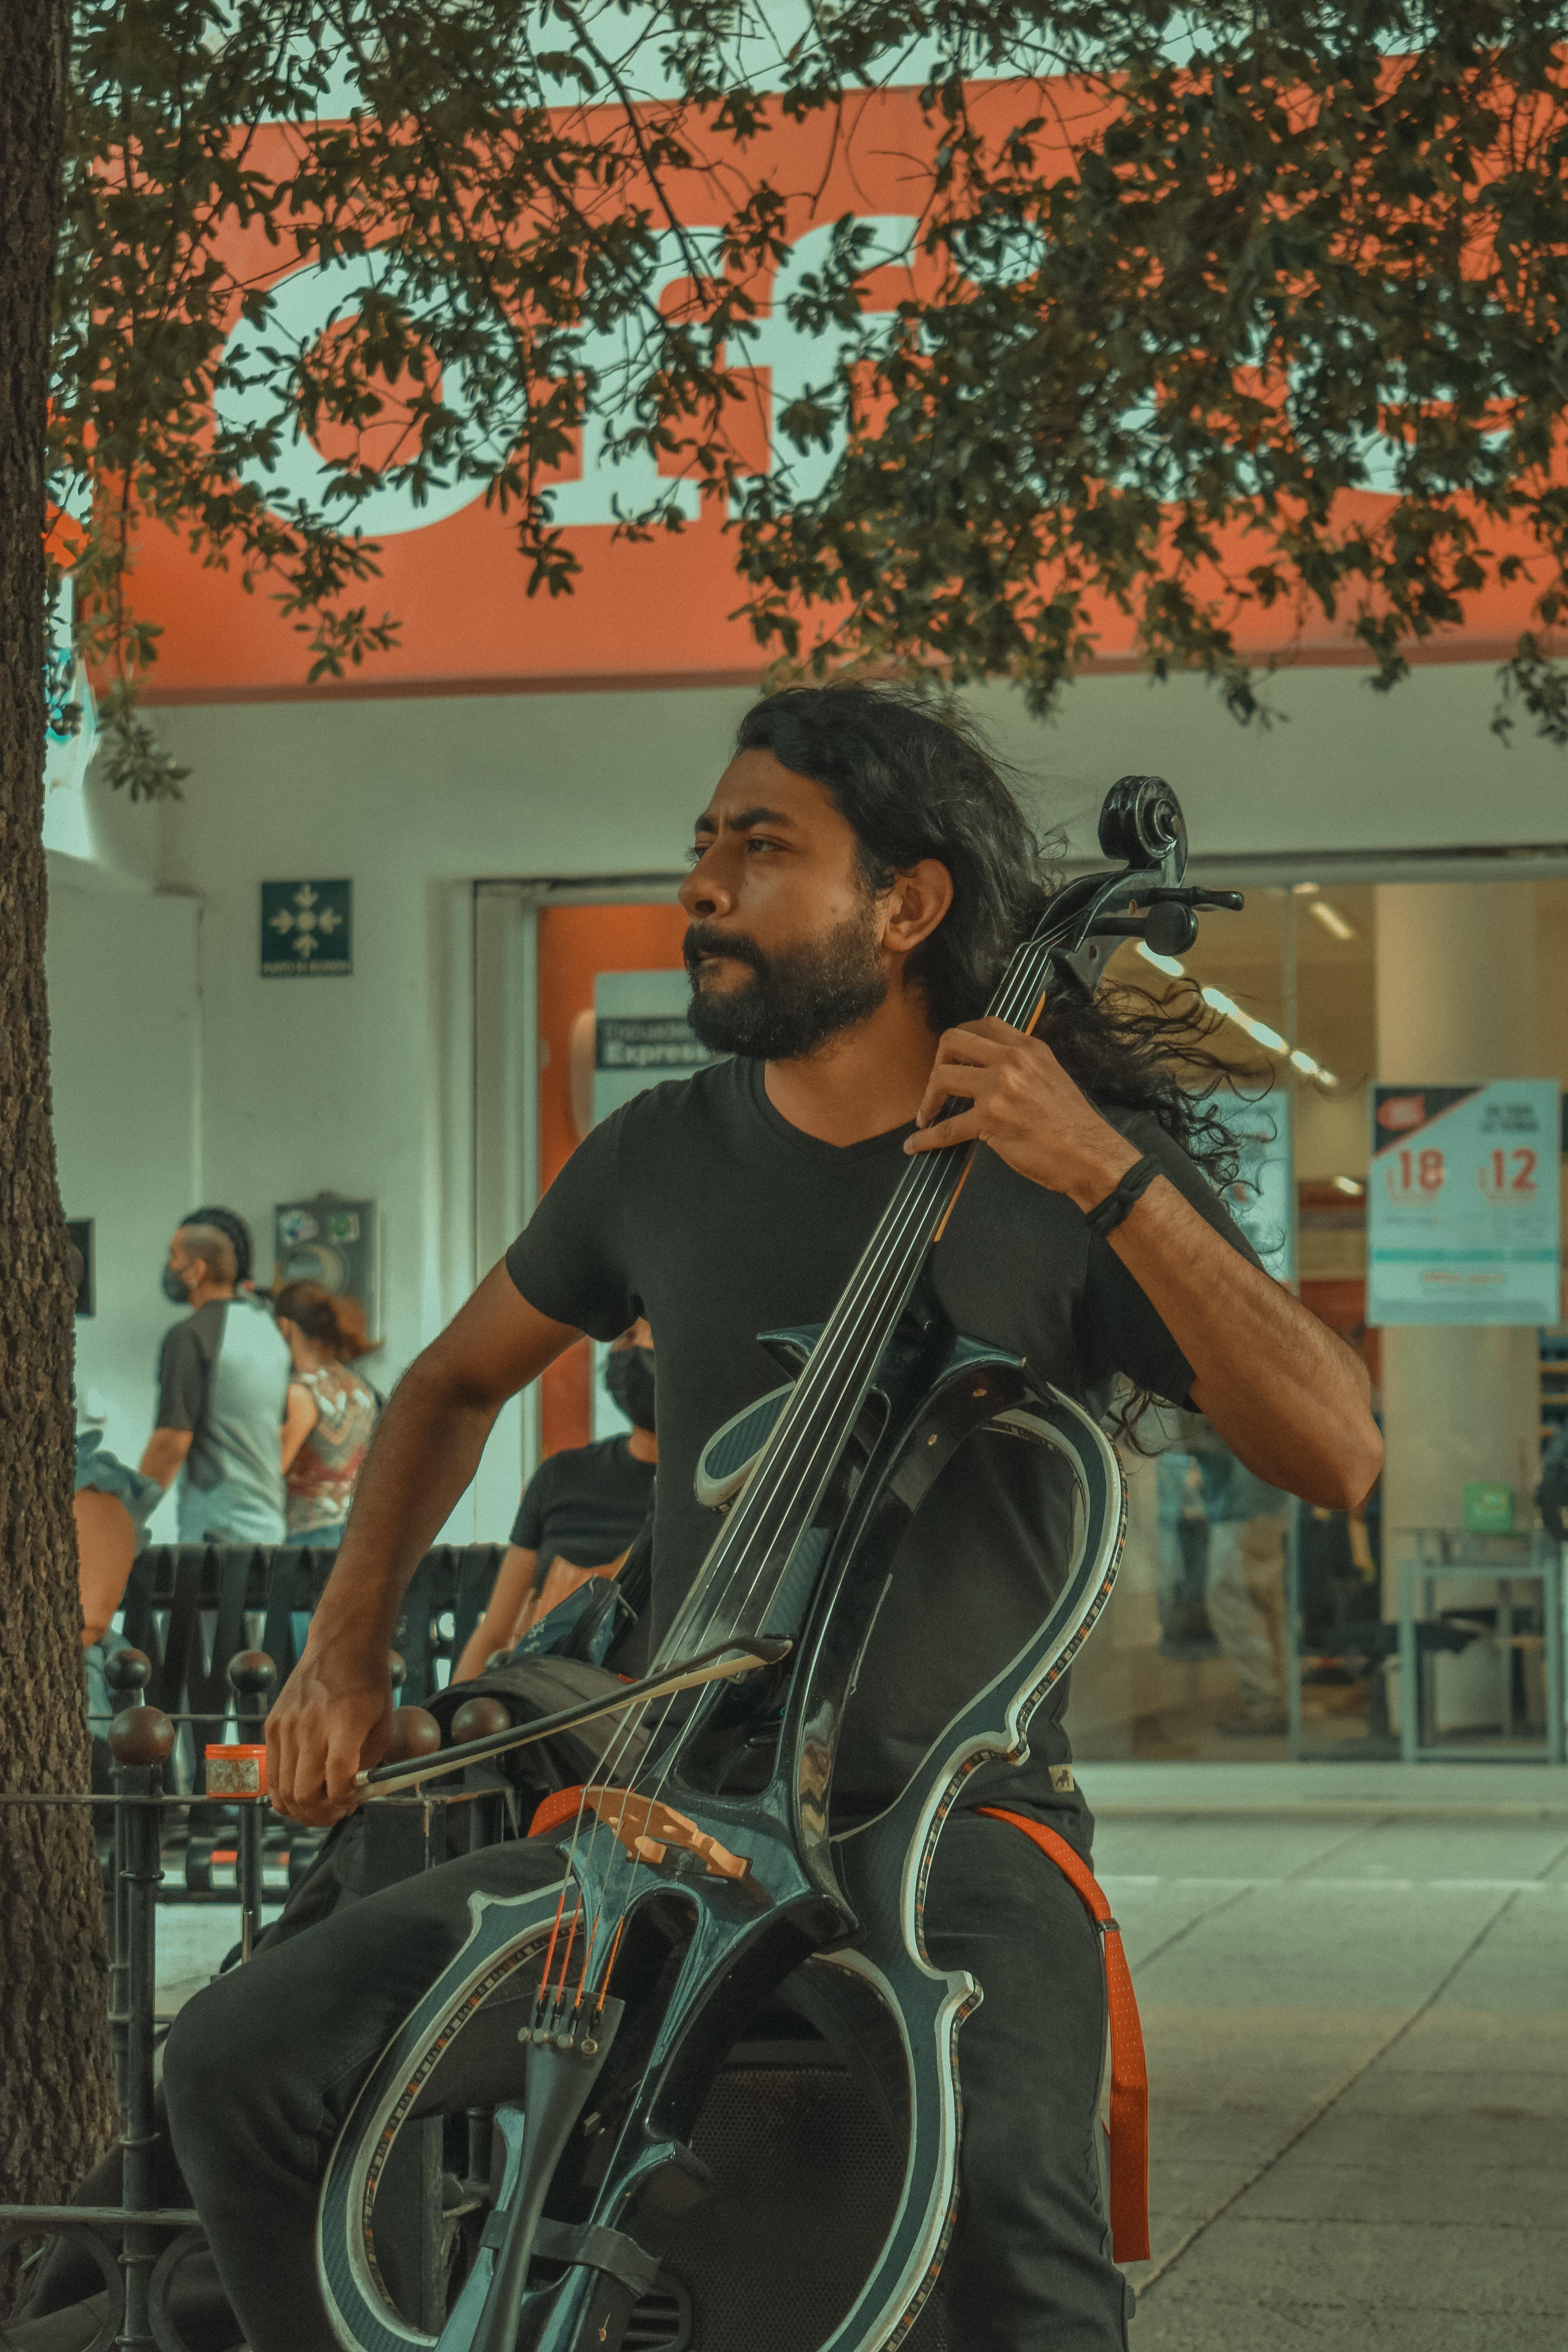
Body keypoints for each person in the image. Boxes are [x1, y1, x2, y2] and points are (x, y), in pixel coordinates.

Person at [163, 685, 1381, 2352]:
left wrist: (1100, 1164)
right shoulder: (660, 1152)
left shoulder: (1069, 1166)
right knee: (237, 2057)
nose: (702, 887)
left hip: (955, 1837)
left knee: (1024, 2251)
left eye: (761, 847)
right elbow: (448, 1385)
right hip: (659, 1815)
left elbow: (1336, 1447)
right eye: (699, 849)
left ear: (905, 902)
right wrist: (340, 1654)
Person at [452, 1318, 658, 1679]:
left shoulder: (718, 1486)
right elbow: (497, 1631)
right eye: (626, 1335)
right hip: (543, 1692)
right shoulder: (561, 1475)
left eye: (654, 1336)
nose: (637, 1349)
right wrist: (454, 1715)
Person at [140, 1217, 292, 1544]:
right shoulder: (268, 1331)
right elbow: (279, 1429)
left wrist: (127, 1516)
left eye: (174, 1257)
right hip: (269, 1529)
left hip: (218, 1535)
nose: (170, 1267)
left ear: (196, 1271)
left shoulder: (190, 1336)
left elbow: (172, 1442)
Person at [275, 1281, 383, 1547]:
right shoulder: (361, 1390)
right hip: (357, 1532)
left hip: (308, 1536)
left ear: (284, 1327)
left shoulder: (301, 1391)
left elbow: (275, 1468)